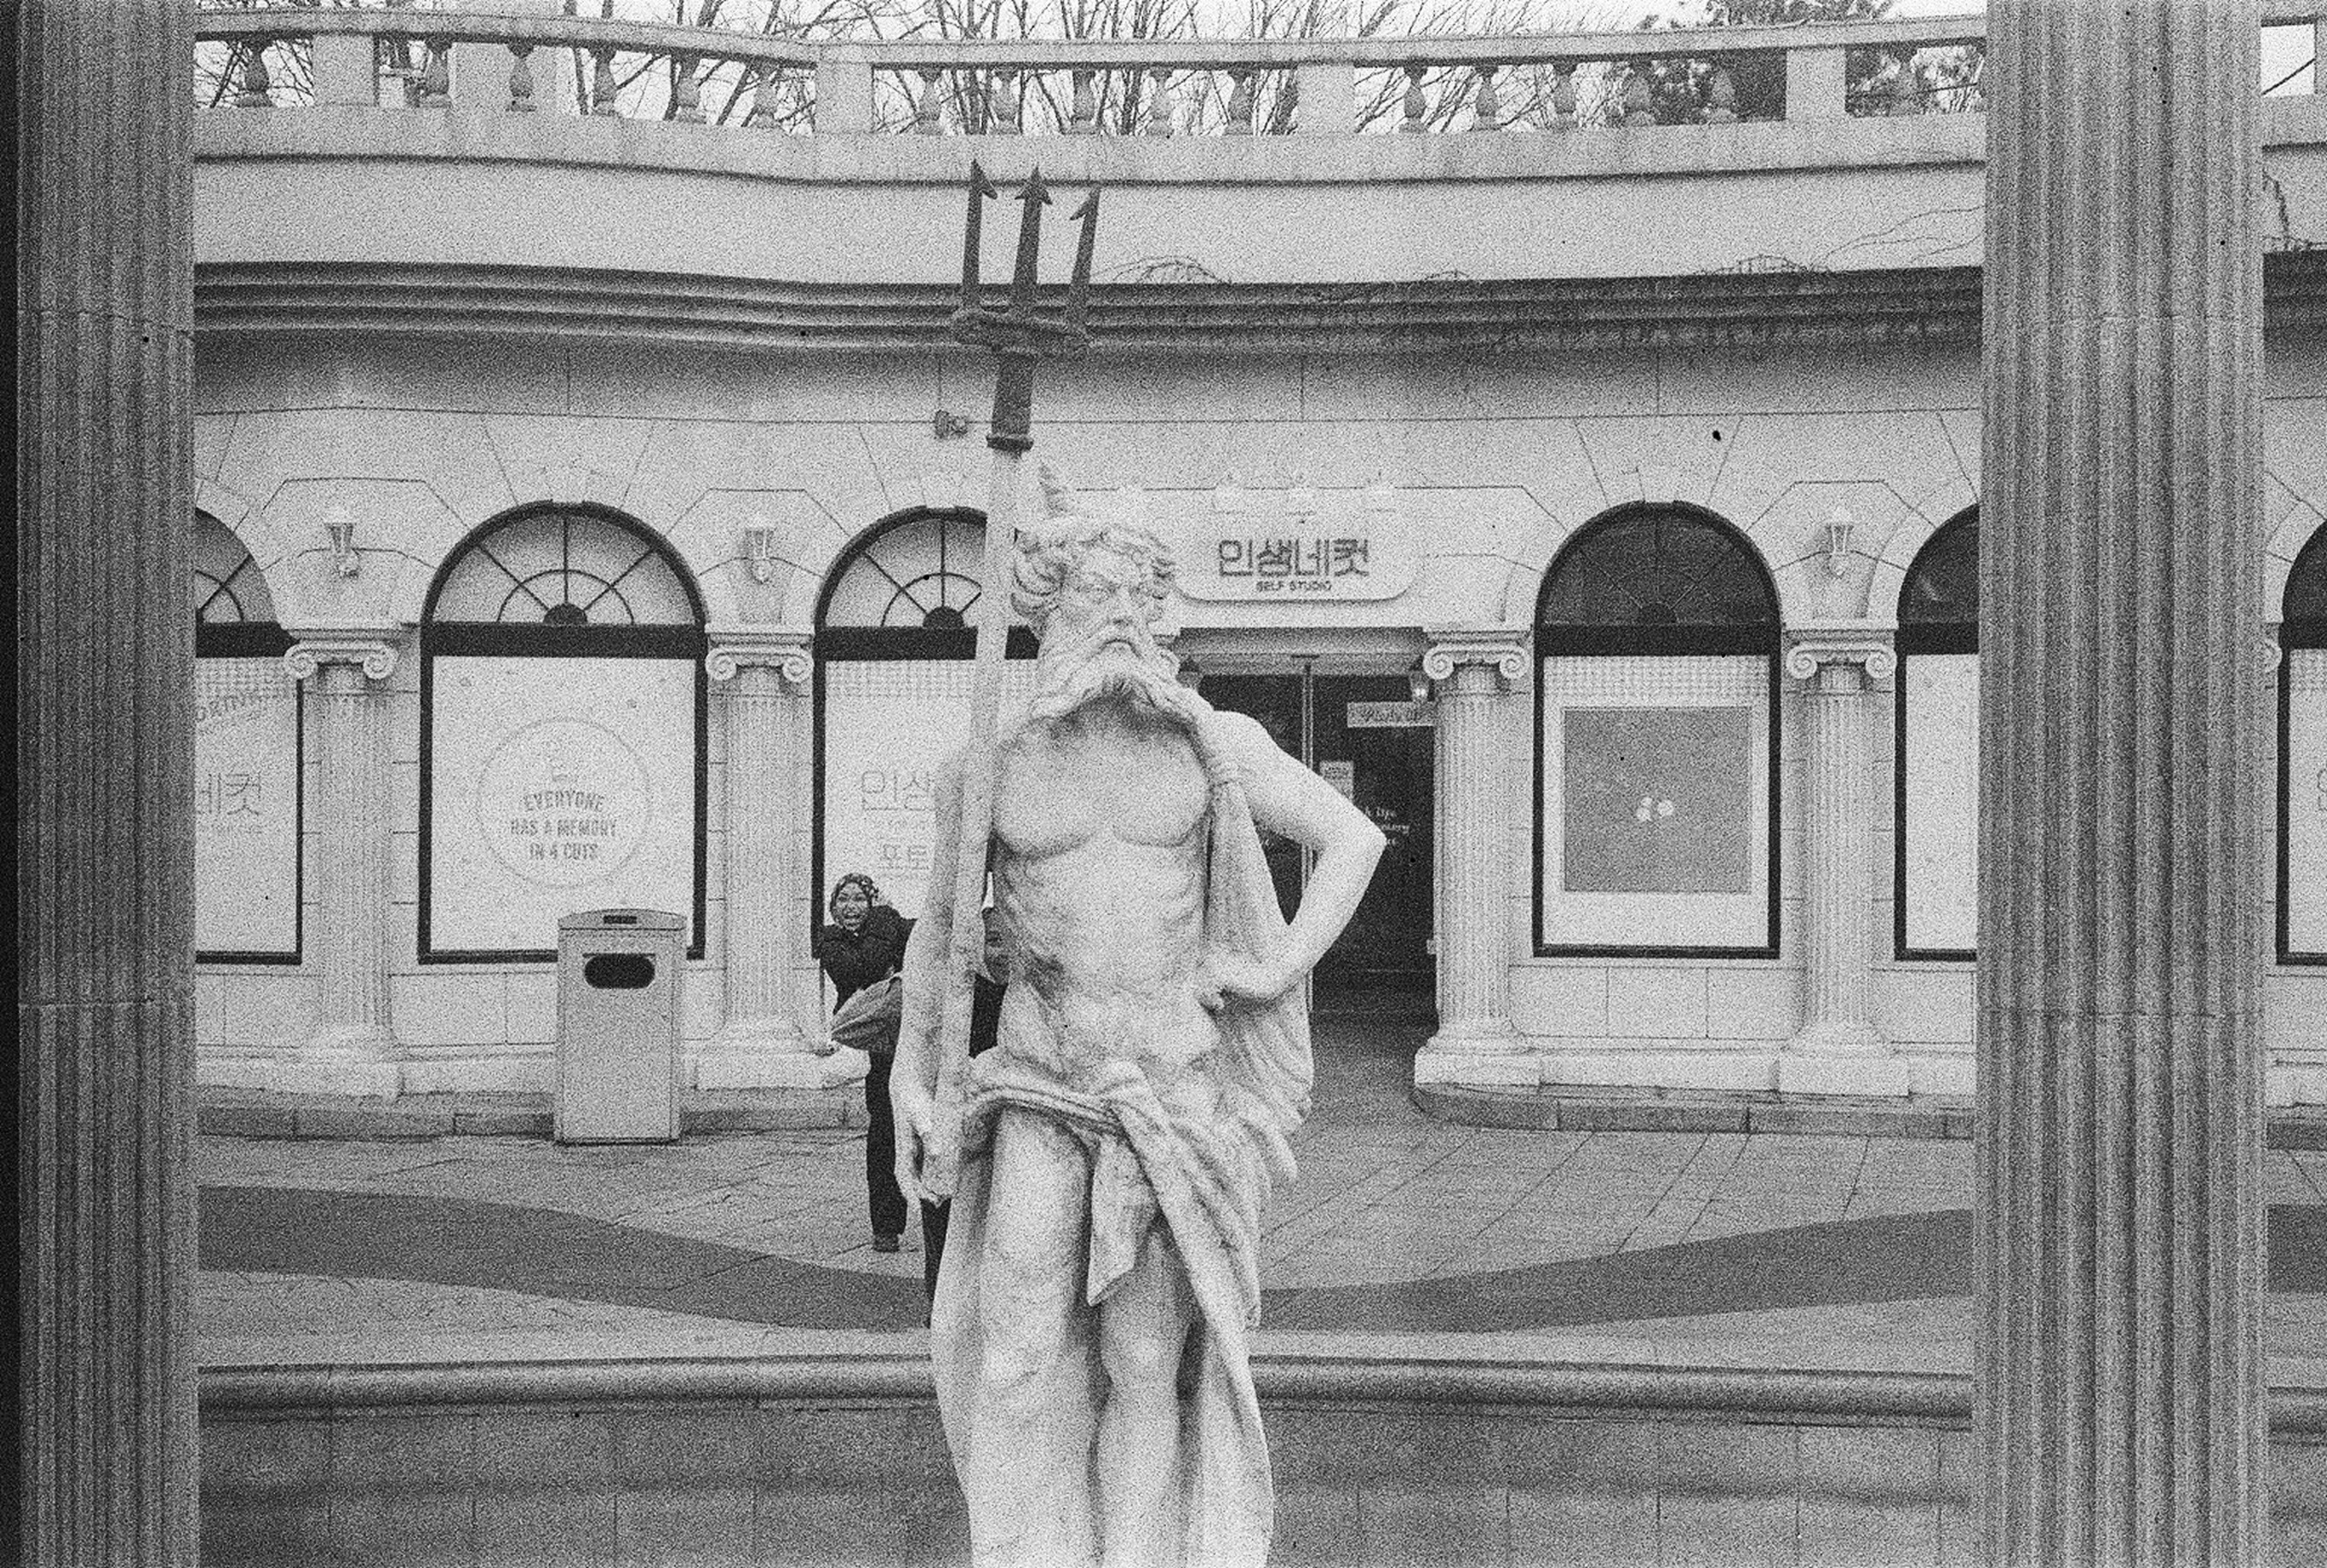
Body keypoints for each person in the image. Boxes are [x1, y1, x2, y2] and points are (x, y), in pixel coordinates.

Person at [892, 483, 1385, 1568]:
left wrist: (1276, 963)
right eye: (1092, 596)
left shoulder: (1212, 746)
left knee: (1145, 1357)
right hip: (1036, 1090)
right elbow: (941, 931)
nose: (1118, 617)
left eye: (1136, 595)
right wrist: (905, 1084)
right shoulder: (989, 763)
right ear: (1044, 611)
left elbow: (1353, 841)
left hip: (1168, 1094)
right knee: (1021, 1355)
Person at [813, 871, 913, 1252]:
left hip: (903, 1038)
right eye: (843, 899)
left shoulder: (892, 928)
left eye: (859, 899)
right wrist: (886, 923)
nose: (850, 907)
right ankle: (886, 1224)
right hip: (876, 1047)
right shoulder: (830, 939)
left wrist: (885, 929)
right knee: (884, 1129)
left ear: (871, 903)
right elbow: (863, 968)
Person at [917, 907, 1008, 1304]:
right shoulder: (957, 994)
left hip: (1003, 1128)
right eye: (993, 942)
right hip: (955, 1123)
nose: (1003, 953)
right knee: (943, 1215)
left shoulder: (1028, 997)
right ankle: (939, 1302)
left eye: (1009, 941)